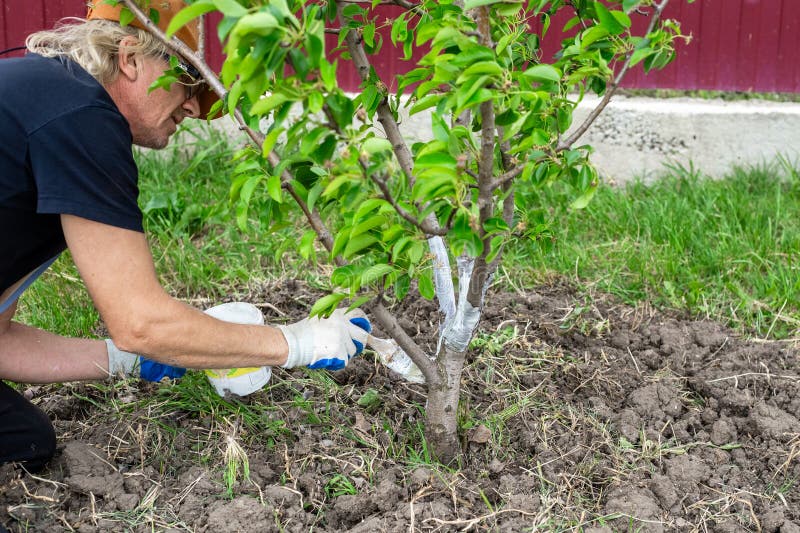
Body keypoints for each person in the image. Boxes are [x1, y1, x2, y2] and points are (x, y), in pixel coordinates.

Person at [0, 0, 370, 478]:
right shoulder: (79, 119)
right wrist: (297, 343)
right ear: (130, 56)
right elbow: (141, 323)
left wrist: (131, 361)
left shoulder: (44, 102)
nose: (195, 107)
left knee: (25, 439)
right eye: (185, 80)